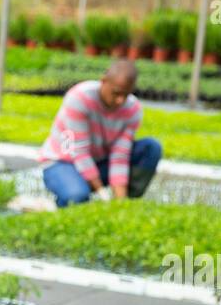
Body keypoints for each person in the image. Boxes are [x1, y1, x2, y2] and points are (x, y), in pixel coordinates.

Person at [37, 59, 163, 208]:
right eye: (116, 93)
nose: (120, 100)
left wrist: (119, 205)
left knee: (151, 148)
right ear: (103, 81)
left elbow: (120, 156)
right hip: (63, 161)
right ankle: (69, 198)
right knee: (76, 196)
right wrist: (102, 193)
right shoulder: (80, 98)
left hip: (99, 162)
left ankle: (127, 203)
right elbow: (80, 152)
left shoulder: (132, 110)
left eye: (126, 94)